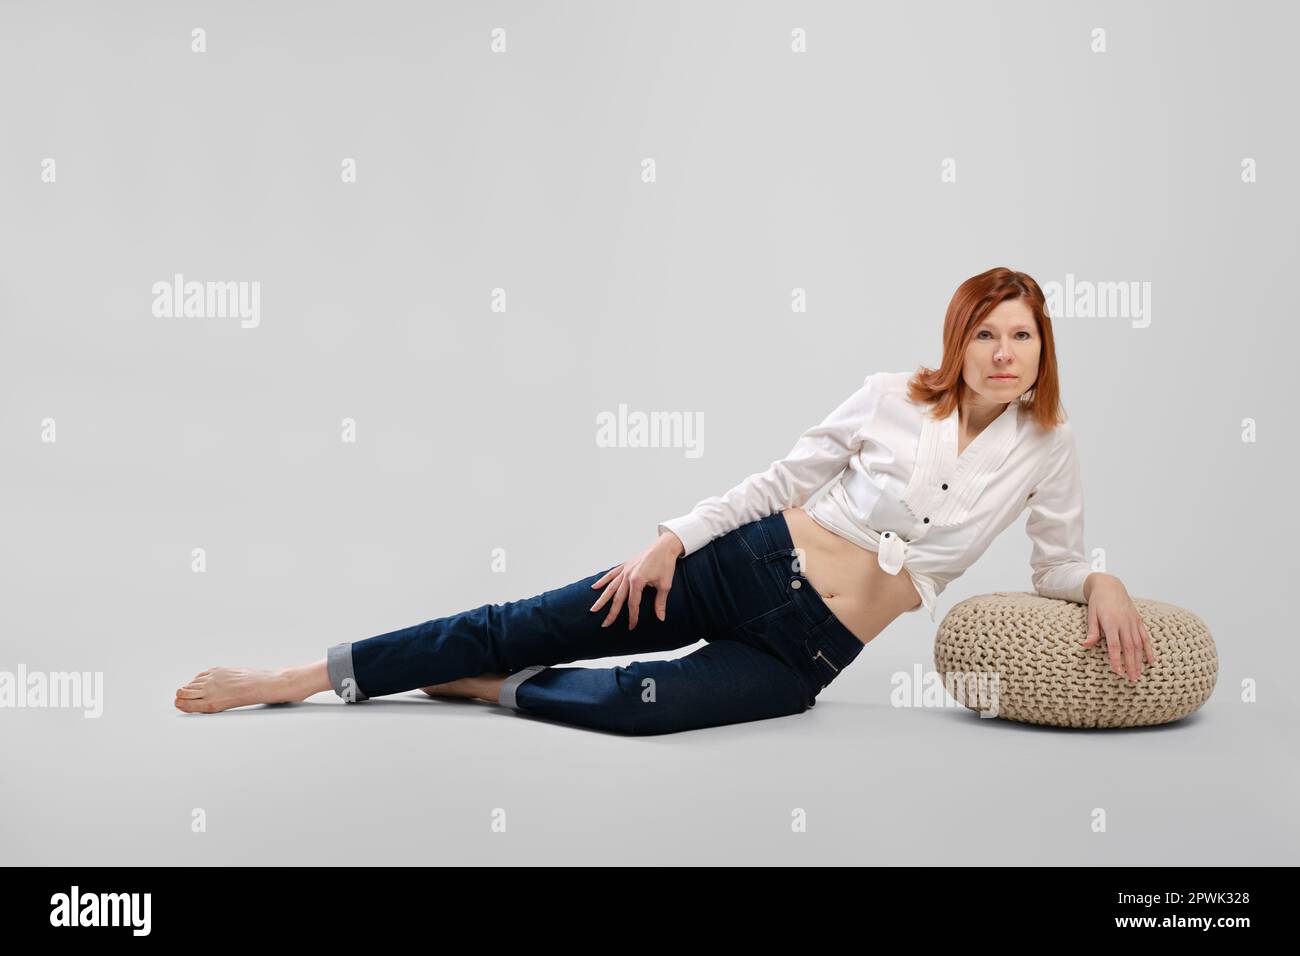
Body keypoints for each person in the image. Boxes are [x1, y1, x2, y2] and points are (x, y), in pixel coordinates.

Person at [174, 266, 1156, 733]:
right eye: (984, 333)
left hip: (804, 651)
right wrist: (669, 541)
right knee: (520, 618)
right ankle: (302, 674)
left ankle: (492, 687)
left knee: (638, 707)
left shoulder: (1046, 445)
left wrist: (1100, 580)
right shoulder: (889, 396)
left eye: (1019, 337)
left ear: (1041, 350)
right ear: (957, 341)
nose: (1000, 353)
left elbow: (1058, 559)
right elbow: (780, 479)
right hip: (747, 561)